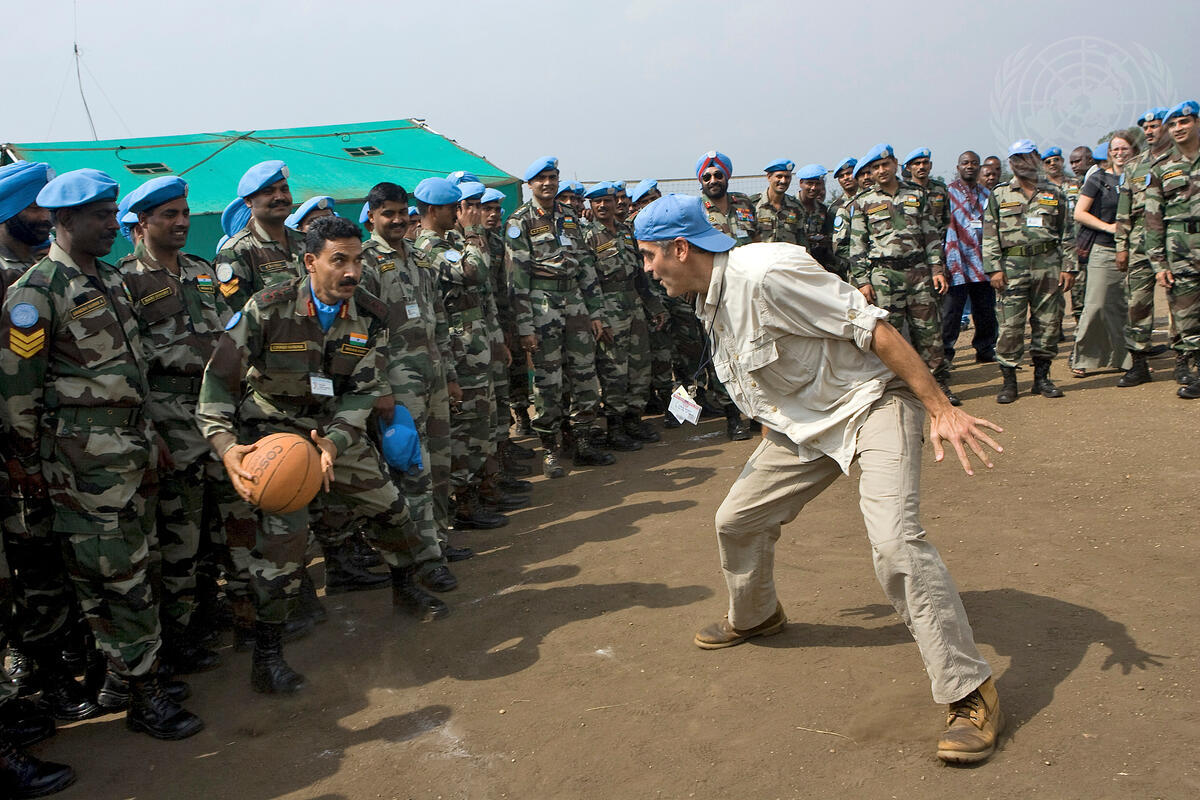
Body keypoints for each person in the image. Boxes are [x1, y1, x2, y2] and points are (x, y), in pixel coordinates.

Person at [634, 193, 1004, 764]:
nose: (648, 269)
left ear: (681, 248)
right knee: (738, 519)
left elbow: (874, 330)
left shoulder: (769, 273)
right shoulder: (709, 296)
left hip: (871, 405)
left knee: (895, 544)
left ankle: (969, 690)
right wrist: (765, 462)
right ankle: (756, 615)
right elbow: (762, 379)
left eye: (650, 255)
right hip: (802, 426)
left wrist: (940, 408)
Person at [198, 215, 449, 697]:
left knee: (393, 510)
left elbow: (365, 389)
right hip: (275, 436)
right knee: (281, 550)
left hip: (335, 429)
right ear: (310, 262)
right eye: (339, 261)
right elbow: (216, 385)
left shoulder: (371, 314)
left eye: (356, 260)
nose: (351, 271)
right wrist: (228, 449)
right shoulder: (266, 309)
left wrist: (334, 442)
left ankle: (405, 586)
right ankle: (267, 655)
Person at [0, 169, 205, 740]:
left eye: (115, 215)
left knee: (133, 570)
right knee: (120, 581)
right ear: (64, 220)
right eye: (100, 217)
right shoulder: (34, 295)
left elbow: (134, 371)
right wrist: (29, 467)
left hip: (132, 450)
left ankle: (125, 677)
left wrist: (154, 436)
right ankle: (145, 695)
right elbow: (19, 390)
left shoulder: (112, 281)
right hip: (82, 465)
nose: (113, 225)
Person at [0, 161, 101, 723]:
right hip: (22, 450)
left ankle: (60, 667)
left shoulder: (45, 272)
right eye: (34, 209)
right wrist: (22, 453)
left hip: (47, 446)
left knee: (53, 564)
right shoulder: (19, 282)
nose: (43, 218)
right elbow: (16, 378)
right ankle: (41, 675)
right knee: (32, 569)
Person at [116, 176, 225, 680]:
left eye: (184, 213)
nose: (181, 222)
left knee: (215, 531)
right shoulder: (125, 281)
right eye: (169, 216)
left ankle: (207, 616)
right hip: (167, 420)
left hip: (215, 415)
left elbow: (229, 332)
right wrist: (149, 430)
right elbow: (125, 365)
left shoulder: (203, 271)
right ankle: (176, 640)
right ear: (142, 223)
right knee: (176, 540)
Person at [359, 181, 471, 569]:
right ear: (371, 216)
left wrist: (451, 375)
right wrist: (381, 388)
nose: (395, 219)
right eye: (386, 213)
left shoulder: (418, 258)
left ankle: (438, 537)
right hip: (397, 378)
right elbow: (363, 333)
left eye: (400, 212)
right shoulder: (365, 262)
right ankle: (422, 555)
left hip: (434, 373)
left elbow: (439, 319)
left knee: (440, 461)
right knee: (412, 466)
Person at [504, 157, 615, 476]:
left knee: (583, 374)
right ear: (530, 185)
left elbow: (585, 266)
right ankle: (550, 450)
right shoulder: (519, 221)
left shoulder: (570, 217)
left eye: (553, 177)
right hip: (541, 304)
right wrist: (525, 327)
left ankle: (581, 443)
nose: (548, 184)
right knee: (548, 380)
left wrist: (596, 312)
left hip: (575, 302)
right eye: (541, 179)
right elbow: (518, 279)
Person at [848, 144, 957, 405]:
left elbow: (931, 234)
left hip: (918, 272)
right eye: (875, 167)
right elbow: (857, 244)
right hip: (884, 276)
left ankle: (938, 385)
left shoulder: (918, 194)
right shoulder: (864, 201)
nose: (881, 170)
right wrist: (862, 281)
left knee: (929, 332)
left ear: (896, 164)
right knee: (888, 335)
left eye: (885, 165)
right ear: (870, 172)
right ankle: (893, 389)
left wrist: (937, 270)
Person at [982, 140, 1076, 403]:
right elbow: (989, 235)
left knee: (1047, 323)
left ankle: (1042, 378)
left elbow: (1066, 233)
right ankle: (1009, 381)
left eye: (1026, 157)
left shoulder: (1055, 193)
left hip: (1047, 265)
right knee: (1010, 326)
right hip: (1011, 267)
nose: (1021, 163)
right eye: (1015, 159)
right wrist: (994, 270)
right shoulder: (999, 194)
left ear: (1036, 158)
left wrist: (1068, 268)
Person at [583, 182, 665, 450]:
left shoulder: (627, 232)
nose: (604, 206)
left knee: (640, 367)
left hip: (634, 307)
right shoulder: (587, 237)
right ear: (591, 206)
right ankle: (615, 427)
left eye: (608, 201)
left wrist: (654, 306)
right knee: (614, 371)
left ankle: (634, 419)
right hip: (608, 309)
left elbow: (640, 275)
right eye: (598, 203)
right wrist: (598, 316)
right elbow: (587, 281)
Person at [1146, 100, 1200, 399]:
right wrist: (1158, 263)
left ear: (1197, 122)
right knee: (1187, 318)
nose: (1178, 128)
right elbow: (1153, 218)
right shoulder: (1162, 167)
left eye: (1185, 122)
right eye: (1174, 124)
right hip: (1180, 252)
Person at [1070, 133, 1136, 376]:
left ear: (1133, 150)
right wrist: (1108, 227)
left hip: (1136, 251)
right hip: (1104, 248)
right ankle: (1084, 359)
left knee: (1125, 307)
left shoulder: (1141, 177)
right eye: (1115, 148)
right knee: (1096, 305)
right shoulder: (1097, 179)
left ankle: (1127, 359)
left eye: (1125, 148)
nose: (1120, 152)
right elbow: (1080, 213)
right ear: (1109, 152)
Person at [1115, 108, 1171, 386]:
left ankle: (1187, 363)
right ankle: (1139, 364)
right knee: (1137, 305)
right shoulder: (1134, 166)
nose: (1149, 131)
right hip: (1139, 241)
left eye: (1154, 126)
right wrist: (1121, 246)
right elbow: (1123, 210)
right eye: (1145, 127)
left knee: (1184, 302)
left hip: (1177, 238)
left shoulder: (1182, 159)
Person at [214, 161, 306, 313]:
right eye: (268, 192)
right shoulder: (236, 251)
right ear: (248, 201)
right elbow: (236, 315)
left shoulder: (308, 241)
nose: (280, 197)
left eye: (284, 189)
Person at [942, 151, 998, 365]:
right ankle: (946, 353)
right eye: (965, 163)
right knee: (952, 313)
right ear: (958, 167)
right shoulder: (947, 194)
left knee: (985, 311)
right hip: (955, 263)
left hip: (982, 262)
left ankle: (985, 349)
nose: (970, 166)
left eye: (974, 163)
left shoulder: (987, 195)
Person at [795, 165, 838, 273]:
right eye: (809, 183)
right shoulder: (789, 206)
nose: (813, 188)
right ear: (801, 183)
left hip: (817, 265)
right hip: (795, 262)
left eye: (817, 184)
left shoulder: (823, 210)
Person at [751, 159, 802, 244]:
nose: (783, 181)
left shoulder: (796, 206)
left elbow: (802, 240)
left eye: (787, 177)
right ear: (769, 177)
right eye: (779, 176)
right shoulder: (752, 204)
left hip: (788, 256)